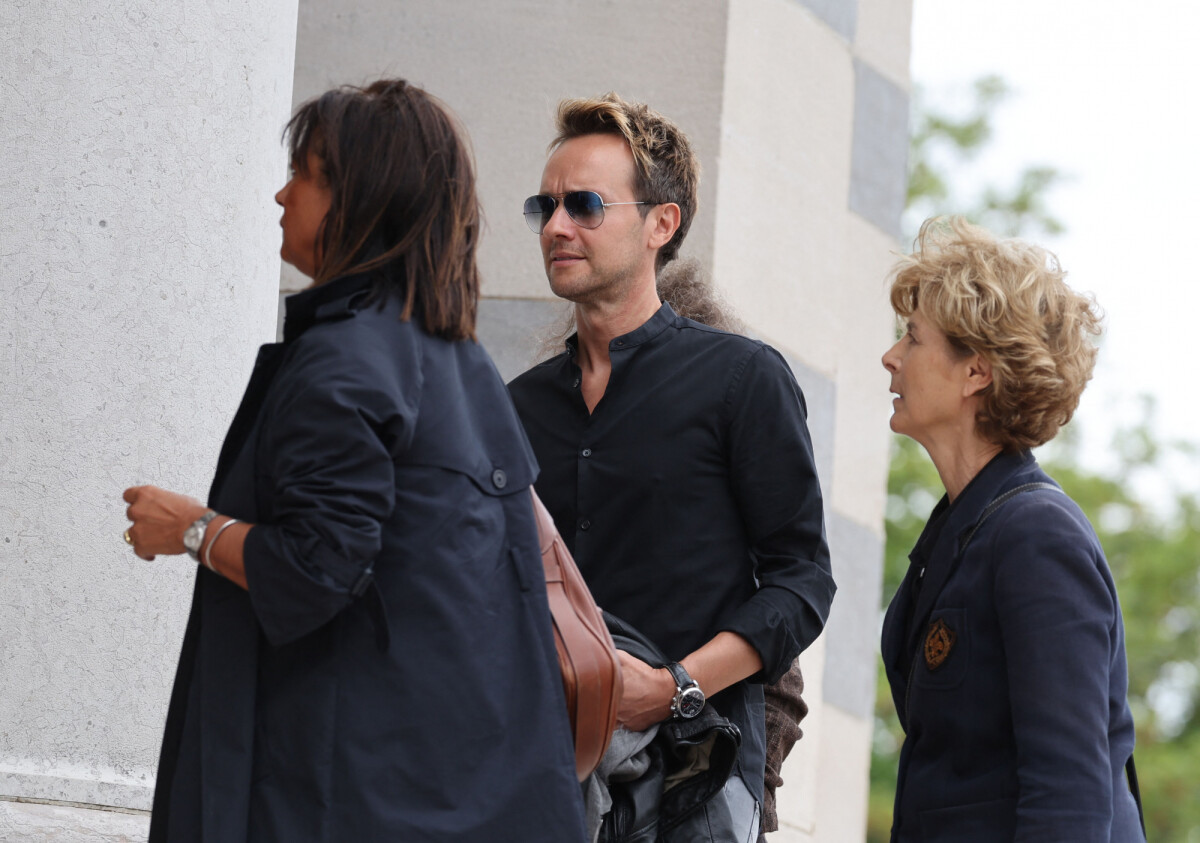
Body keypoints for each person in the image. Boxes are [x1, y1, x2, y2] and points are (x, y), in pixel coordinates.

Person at [122, 79, 586, 843]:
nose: (281, 193)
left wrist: (193, 529)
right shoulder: (458, 364)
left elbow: (316, 568)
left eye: (304, 173)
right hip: (465, 793)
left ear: (358, 197)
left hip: (341, 797)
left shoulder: (344, 363)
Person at [507, 93, 835, 842]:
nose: (557, 227)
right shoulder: (514, 409)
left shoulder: (741, 379)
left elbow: (802, 580)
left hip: (698, 781)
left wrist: (674, 686)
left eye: (585, 205)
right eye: (545, 205)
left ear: (662, 223)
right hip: (541, 776)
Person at [879, 217, 1143, 841]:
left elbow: (1069, 796)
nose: (891, 356)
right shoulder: (961, 526)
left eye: (913, 339)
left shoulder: (1037, 536)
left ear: (978, 372)